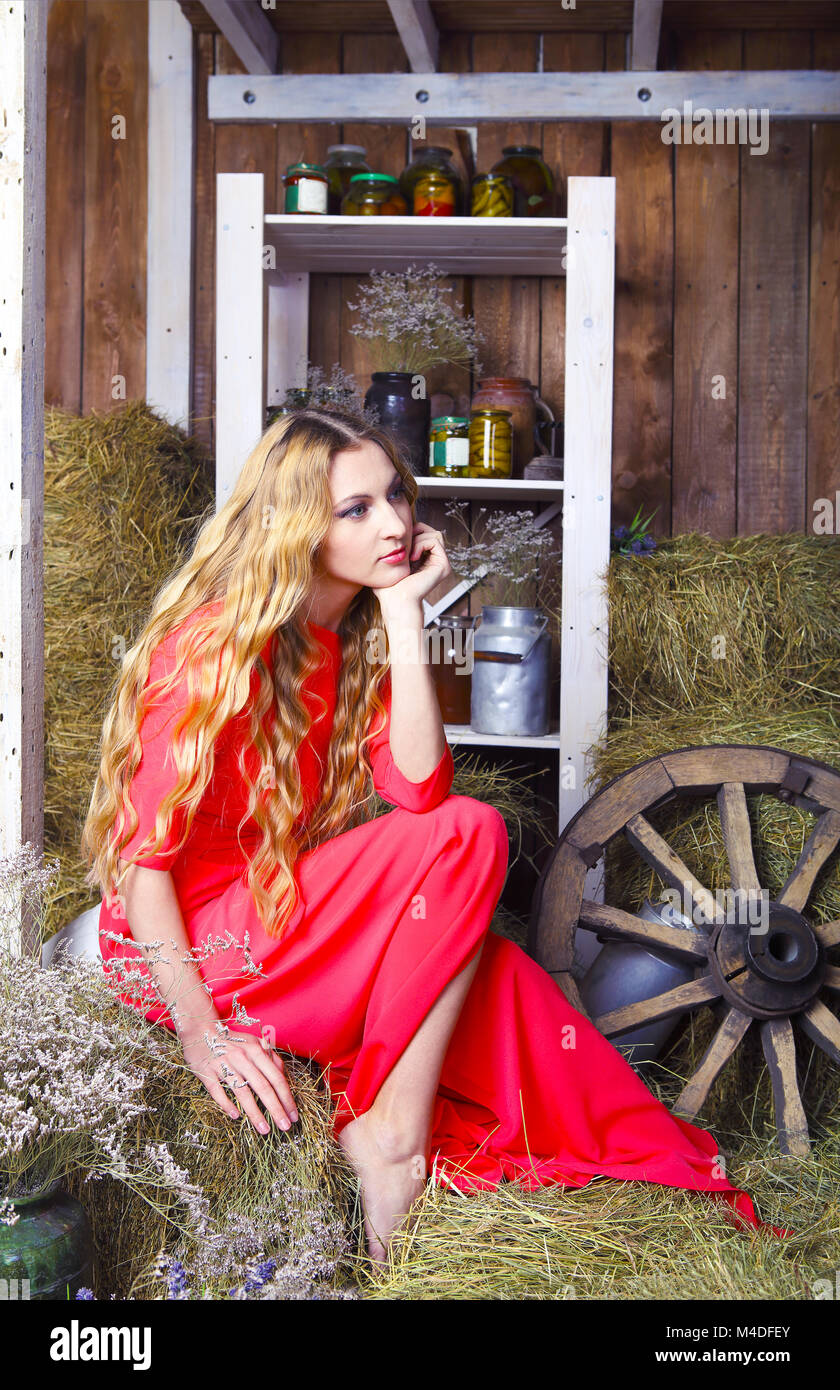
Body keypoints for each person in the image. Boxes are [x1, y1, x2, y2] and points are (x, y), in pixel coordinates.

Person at [82, 407, 786, 1267]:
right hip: (198, 947)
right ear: (295, 523)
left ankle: (625, 1153)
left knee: (500, 982)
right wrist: (201, 1033)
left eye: (395, 497)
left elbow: (415, 786)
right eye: (356, 509)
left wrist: (405, 610)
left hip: (279, 924)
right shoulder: (212, 648)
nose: (394, 522)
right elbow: (139, 868)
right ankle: (392, 1140)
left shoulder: (348, 640)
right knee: (471, 832)